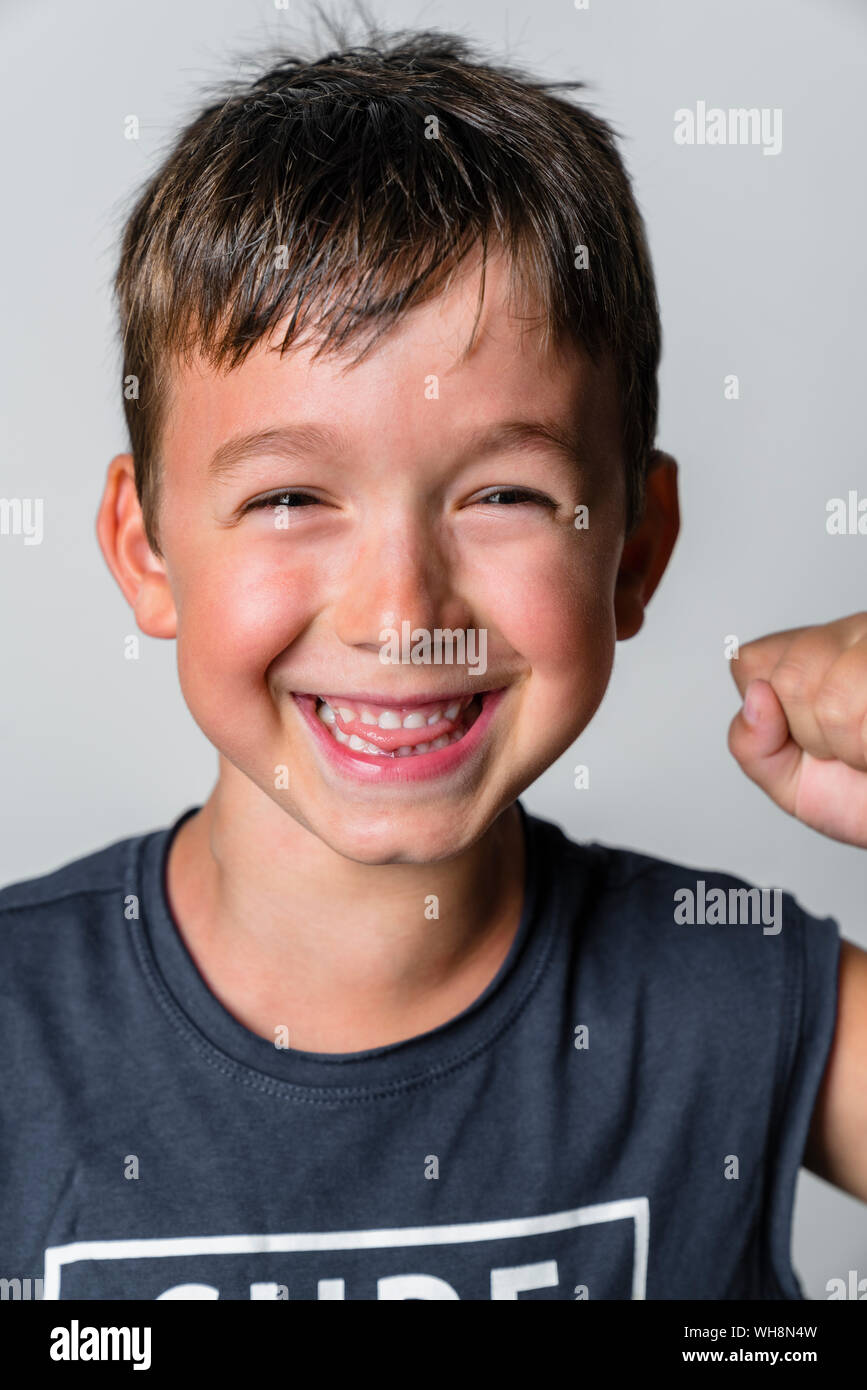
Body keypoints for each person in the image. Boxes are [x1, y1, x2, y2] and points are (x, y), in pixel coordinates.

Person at [2, 21, 865, 1301]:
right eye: (292, 497)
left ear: (633, 550)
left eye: (505, 493)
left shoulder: (733, 986)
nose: (404, 612)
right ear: (148, 550)